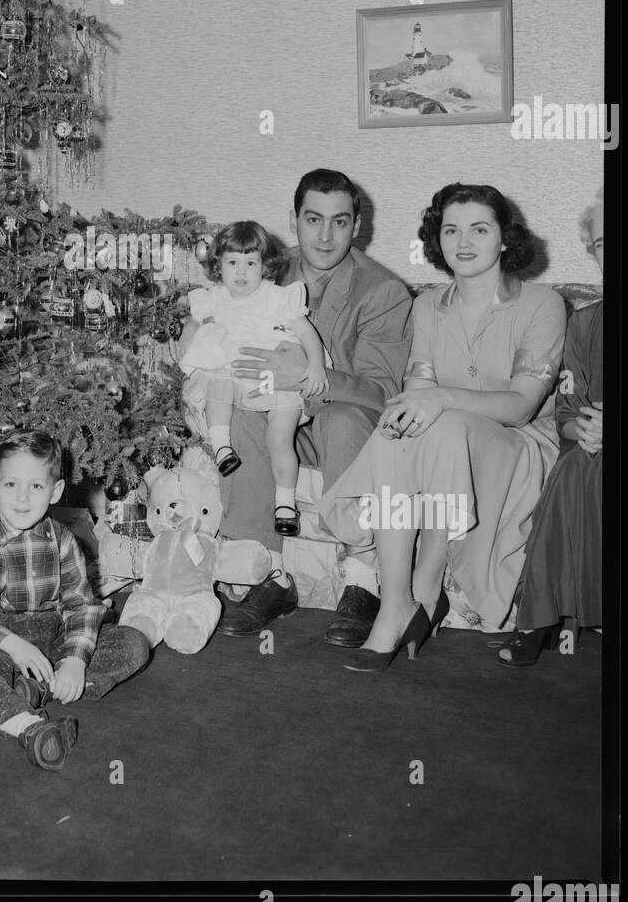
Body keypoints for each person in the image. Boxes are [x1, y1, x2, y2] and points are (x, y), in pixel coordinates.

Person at [317, 183, 567, 672]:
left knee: (443, 423)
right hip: (447, 439)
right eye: (450, 229)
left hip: (520, 444)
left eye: (479, 228)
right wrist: (413, 408)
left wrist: (440, 399)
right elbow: (418, 385)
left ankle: (427, 589)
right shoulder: (429, 306)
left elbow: (521, 405)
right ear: (437, 239)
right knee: (398, 427)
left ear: (504, 239)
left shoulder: (542, 303)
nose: (463, 240)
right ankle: (395, 602)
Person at [195, 170, 413, 639]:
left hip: (346, 428)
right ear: (292, 220)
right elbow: (217, 322)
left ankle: (362, 579)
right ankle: (273, 574)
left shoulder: (383, 291)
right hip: (278, 413)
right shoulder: (263, 269)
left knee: (343, 416)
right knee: (242, 415)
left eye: (340, 221)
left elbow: (381, 391)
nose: (326, 235)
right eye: (313, 219)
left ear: (358, 226)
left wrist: (310, 376)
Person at [0, 429, 150, 770]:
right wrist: (11, 644)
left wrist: (75, 659)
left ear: (55, 491)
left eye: (36, 486)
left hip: (53, 637)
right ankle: (28, 727)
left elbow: (81, 606)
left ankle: (39, 688)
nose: (23, 498)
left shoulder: (63, 540)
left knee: (134, 644)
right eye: (11, 485)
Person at [497, 187, 603, 666]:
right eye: (602, 244)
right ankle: (540, 616)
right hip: (590, 448)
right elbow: (566, 405)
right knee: (575, 464)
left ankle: (545, 616)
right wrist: (582, 429)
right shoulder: (585, 324)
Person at [178, 220, 329, 537]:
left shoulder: (276, 298)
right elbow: (193, 322)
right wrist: (188, 343)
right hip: (237, 380)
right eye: (232, 262)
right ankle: (222, 448)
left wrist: (315, 366)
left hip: (275, 382)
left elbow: (307, 333)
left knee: (279, 438)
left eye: (250, 263)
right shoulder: (216, 298)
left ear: (265, 266)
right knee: (216, 382)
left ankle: (285, 502)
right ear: (219, 265)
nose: (241, 272)